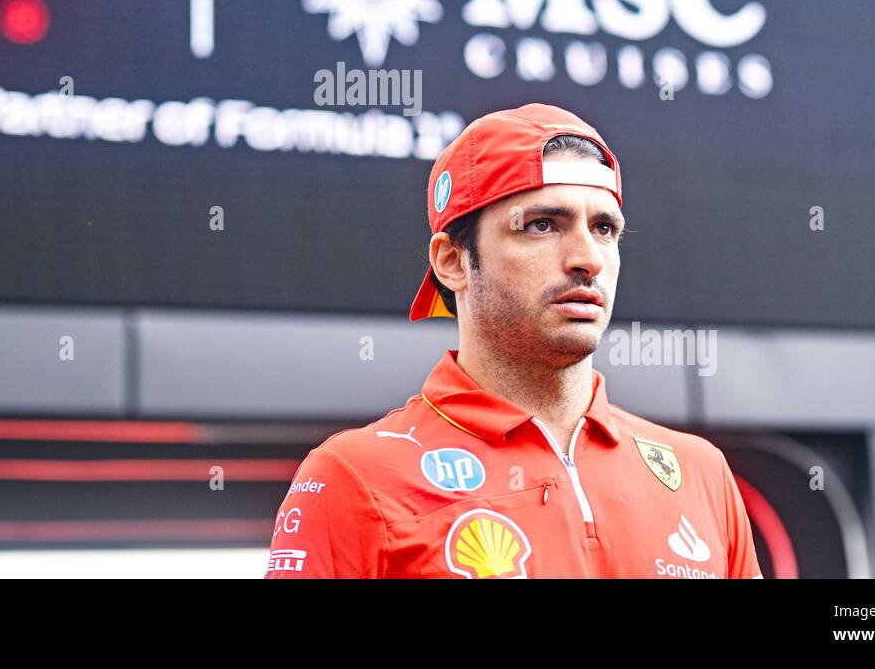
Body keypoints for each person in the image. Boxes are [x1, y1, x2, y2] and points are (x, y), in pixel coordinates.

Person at [265, 102, 763, 579]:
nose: (587, 258)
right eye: (543, 225)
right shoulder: (355, 476)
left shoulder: (702, 471)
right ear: (453, 262)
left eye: (605, 228)